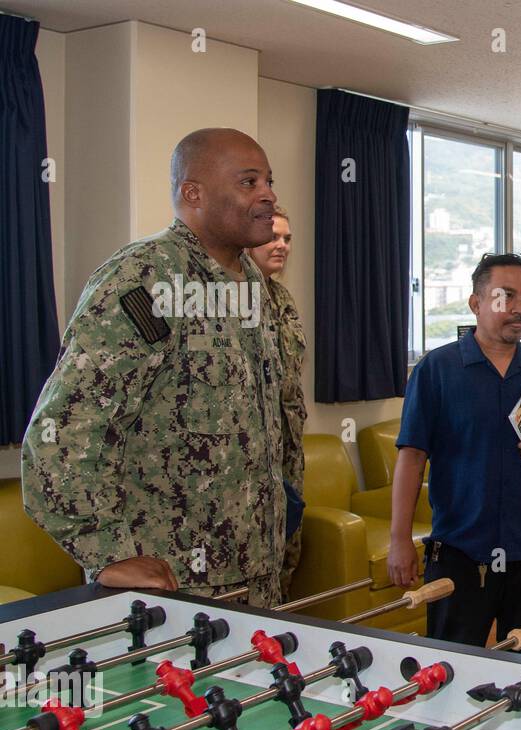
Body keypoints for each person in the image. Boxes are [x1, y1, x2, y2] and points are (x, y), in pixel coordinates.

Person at [23, 128, 287, 607]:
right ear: (193, 193)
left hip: (253, 577)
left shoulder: (251, 282)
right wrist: (106, 552)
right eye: (249, 182)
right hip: (173, 586)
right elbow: (62, 433)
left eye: (269, 180)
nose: (268, 194)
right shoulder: (146, 277)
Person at [388, 253, 521, 658]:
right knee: (448, 672)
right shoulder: (437, 370)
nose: (520, 309)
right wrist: (399, 539)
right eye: (505, 296)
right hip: (460, 551)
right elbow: (411, 458)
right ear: (476, 303)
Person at [249, 205, 308, 596]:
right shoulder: (230, 299)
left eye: (287, 239)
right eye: (273, 237)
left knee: (287, 555)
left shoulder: (282, 299)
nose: (282, 245)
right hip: (252, 460)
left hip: (287, 452)